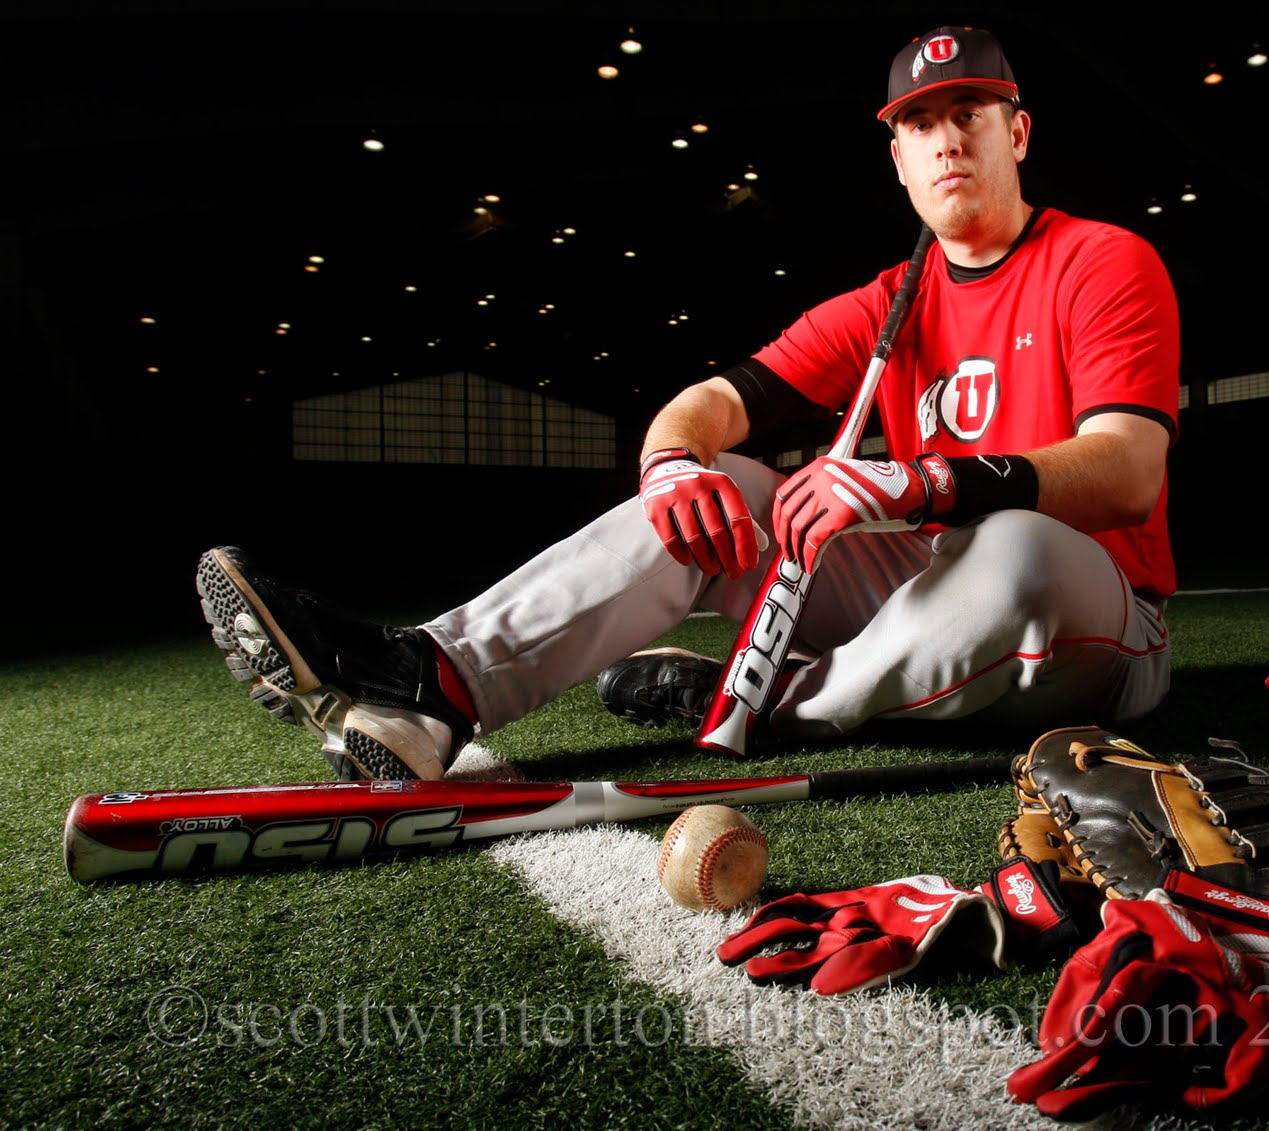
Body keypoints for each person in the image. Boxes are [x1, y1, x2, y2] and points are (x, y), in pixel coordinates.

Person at [197, 25, 1181, 781]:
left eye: (969, 111)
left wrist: (909, 479)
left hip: (1094, 621)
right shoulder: (888, 298)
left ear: (1016, 130)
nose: (945, 140)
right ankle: (431, 689)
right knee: (718, 484)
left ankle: (774, 701)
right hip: (920, 605)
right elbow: (705, 403)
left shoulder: (1099, 261)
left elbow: (1127, 476)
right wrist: (673, 465)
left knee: (1018, 543)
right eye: (918, 123)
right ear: (896, 158)